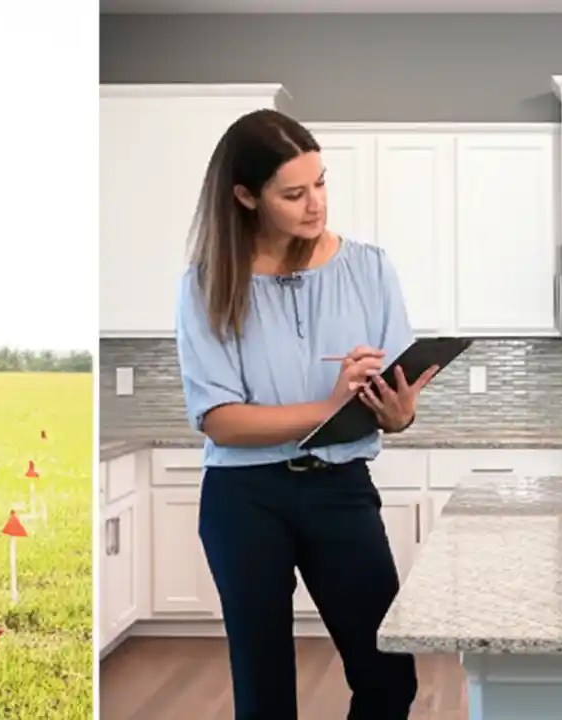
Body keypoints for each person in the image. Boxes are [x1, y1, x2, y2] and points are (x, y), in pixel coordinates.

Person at [174, 108, 439, 719]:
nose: (315, 203)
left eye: (320, 183)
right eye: (293, 193)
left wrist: (397, 413)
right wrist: (327, 406)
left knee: (387, 676)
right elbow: (221, 420)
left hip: (341, 489)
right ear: (246, 197)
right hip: (245, 499)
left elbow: (393, 406)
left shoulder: (369, 268)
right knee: (264, 697)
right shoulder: (207, 283)